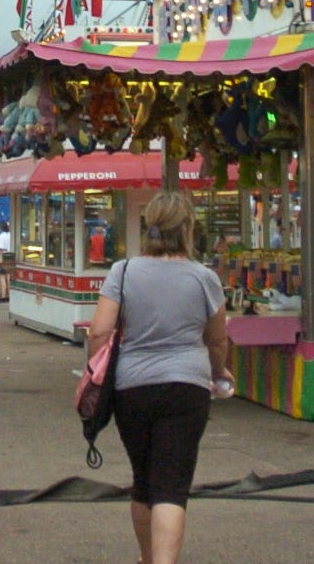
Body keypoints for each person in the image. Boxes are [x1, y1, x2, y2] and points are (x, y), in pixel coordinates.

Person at [87, 191, 232, 564]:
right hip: (187, 388)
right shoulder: (205, 278)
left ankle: (148, 558)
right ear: (187, 229)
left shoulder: (124, 270)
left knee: (144, 481)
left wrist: (96, 374)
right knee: (172, 484)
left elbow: (99, 332)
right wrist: (219, 373)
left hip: (131, 388)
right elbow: (217, 340)